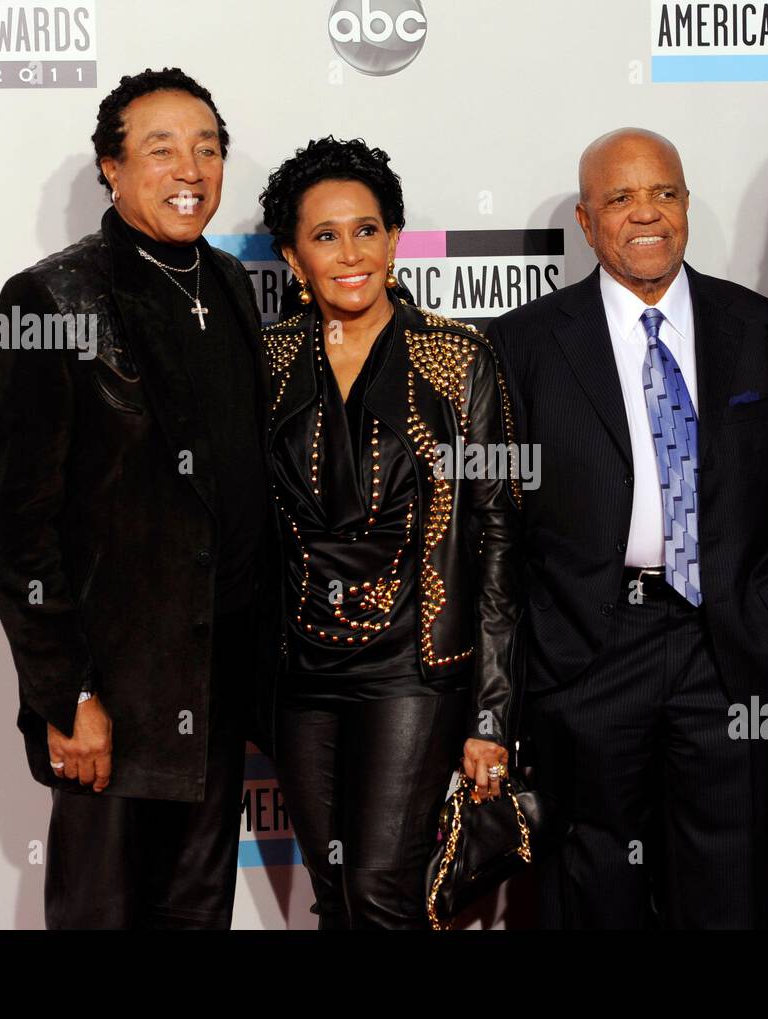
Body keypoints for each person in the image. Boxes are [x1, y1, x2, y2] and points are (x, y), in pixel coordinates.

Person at [0, 67, 275, 929]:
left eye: (208, 148)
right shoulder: (50, 298)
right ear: (111, 167)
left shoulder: (227, 285)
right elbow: (16, 527)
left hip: (215, 687)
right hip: (114, 695)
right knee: (101, 917)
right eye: (162, 149)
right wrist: (64, 695)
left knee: (195, 914)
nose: (192, 168)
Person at [488, 128, 768, 928]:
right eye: (620, 198)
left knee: (729, 890)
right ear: (589, 224)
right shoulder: (523, 343)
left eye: (664, 192)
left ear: (687, 204)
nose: (647, 214)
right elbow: (499, 518)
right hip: (589, 648)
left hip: (725, 648)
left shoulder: (762, 330)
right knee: (594, 889)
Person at [258, 136, 522, 929]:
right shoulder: (264, 362)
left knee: (381, 891)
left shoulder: (458, 358)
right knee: (337, 894)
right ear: (291, 255)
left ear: (395, 239)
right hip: (298, 671)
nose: (350, 253)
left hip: (413, 668)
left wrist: (491, 713)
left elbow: (500, 538)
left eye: (367, 229)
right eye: (326, 235)